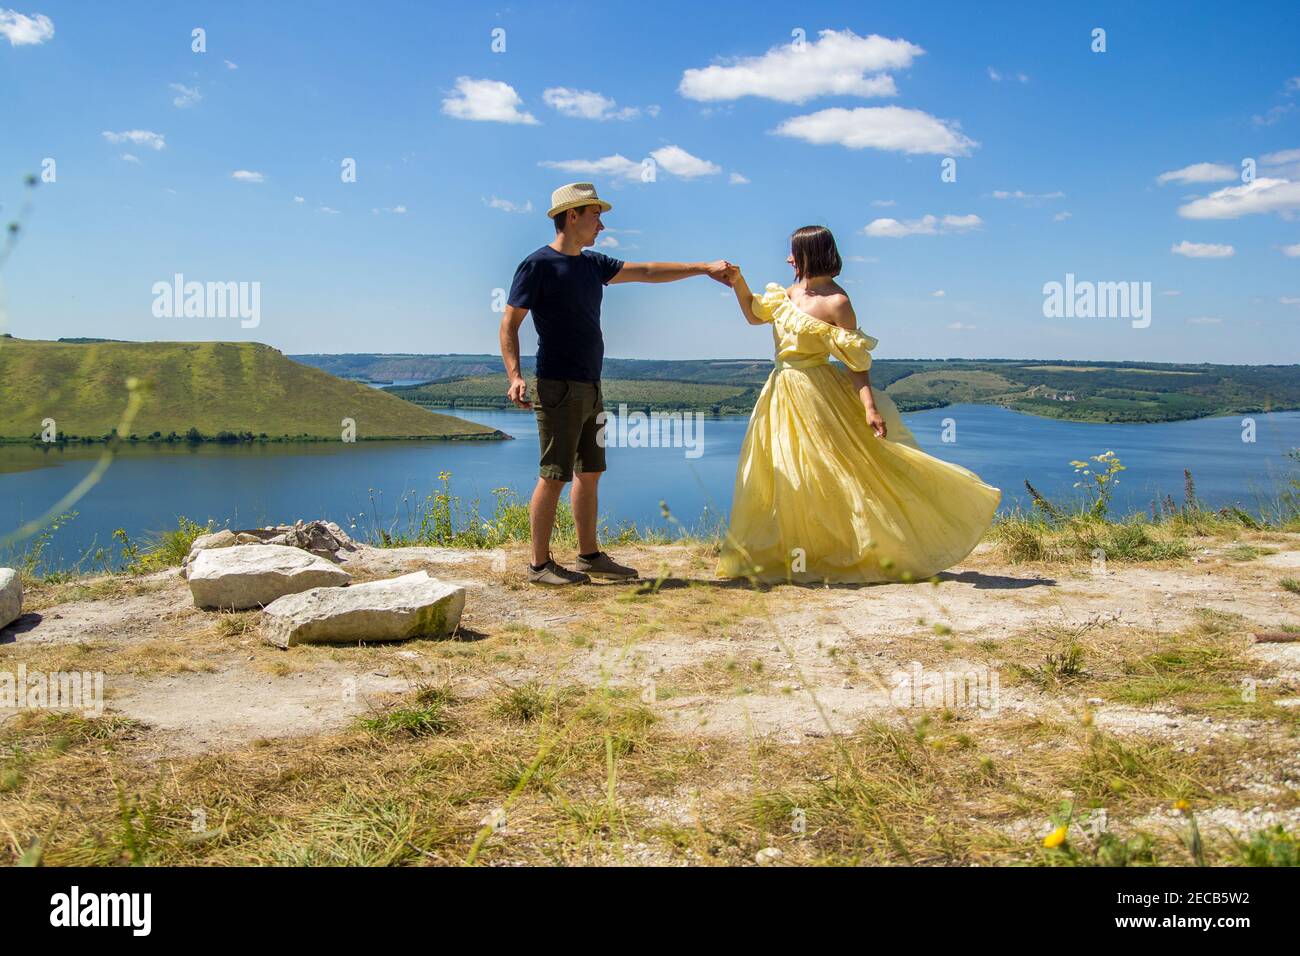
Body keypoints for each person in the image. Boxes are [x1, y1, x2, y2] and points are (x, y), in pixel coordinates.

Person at [716, 225, 1001, 584]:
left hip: (816, 394)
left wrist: (868, 407)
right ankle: (795, 551)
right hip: (779, 391)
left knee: (830, 470)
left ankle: (859, 549)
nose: (788, 258)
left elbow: (856, 362)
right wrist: (738, 283)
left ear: (810, 254)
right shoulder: (787, 293)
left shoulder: (838, 302)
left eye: (794, 252)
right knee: (783, 471)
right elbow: (755, 315)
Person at [501, 182, 735, 585]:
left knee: (589, 472)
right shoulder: (538, 265)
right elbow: (509, 323)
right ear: (572, 215)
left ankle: (589, 556)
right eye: (596, 215)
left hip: (590, 384)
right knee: (555, 474)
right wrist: (515, 376)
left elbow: (645, 271)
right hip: (558, 384)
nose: (602, 224)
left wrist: (702, 269)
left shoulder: (593, 265)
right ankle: (539, 566)